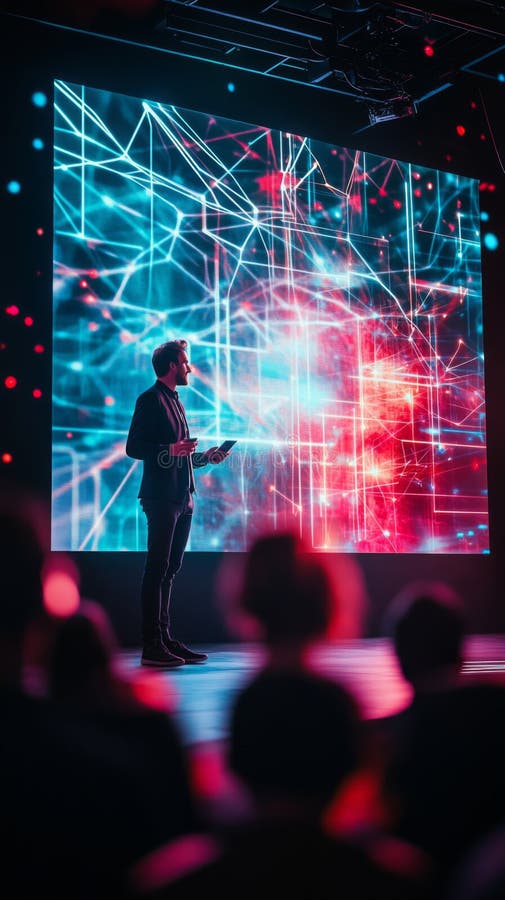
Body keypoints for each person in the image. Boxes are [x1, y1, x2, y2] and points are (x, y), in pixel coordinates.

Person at [126, 339, 230, 668]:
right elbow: (134, 447)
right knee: (157, 569)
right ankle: (152, 644)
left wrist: (205, 457)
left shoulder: (175, 401)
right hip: (161, 497)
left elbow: (179, 453)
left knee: (169, 570)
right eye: (185, 362)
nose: (188, 368)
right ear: (172, 366)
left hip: (183, 497)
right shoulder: (151, 399)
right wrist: (170, 450)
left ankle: (165, 638)